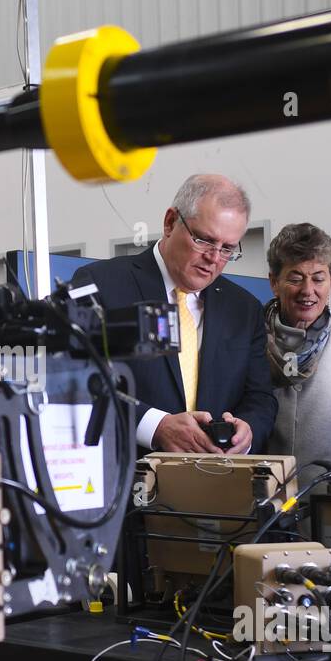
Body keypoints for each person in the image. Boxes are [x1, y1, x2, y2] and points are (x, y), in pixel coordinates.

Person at [71, 174, 276, 454]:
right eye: (204, 240)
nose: (214, 259)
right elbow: (74, 381)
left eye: (227, 248)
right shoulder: (100, 285)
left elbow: (260, 397)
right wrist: (156, 426)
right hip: (128, 484)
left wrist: (248, 431)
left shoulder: (245, 309)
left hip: (217, 484)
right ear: (170, 223)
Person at [263, 223, 331, 469]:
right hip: (260, 494)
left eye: (318, 279)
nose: (307, 291)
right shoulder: (250, 339)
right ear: (274, 282)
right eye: (295, 278)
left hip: (329, 495)